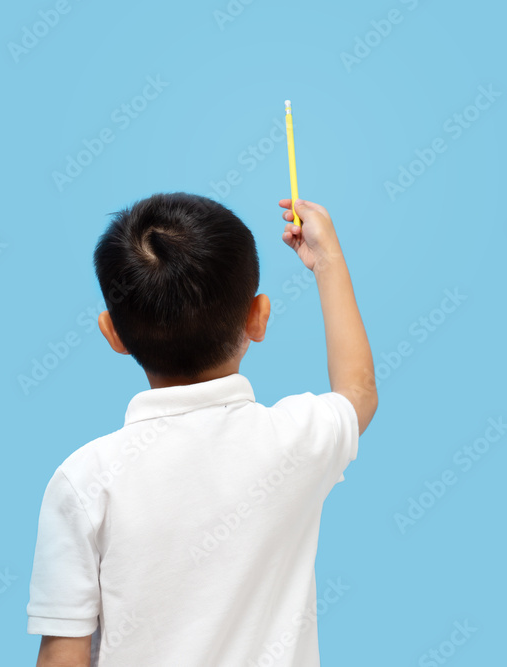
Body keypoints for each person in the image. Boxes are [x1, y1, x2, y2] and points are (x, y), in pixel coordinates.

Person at [27, 193, 378, 666]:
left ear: (112, 333)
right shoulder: (293, 441)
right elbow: (358, 392)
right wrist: (328, 260)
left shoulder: (83, 481)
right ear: (258, 317)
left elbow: (61, 659)